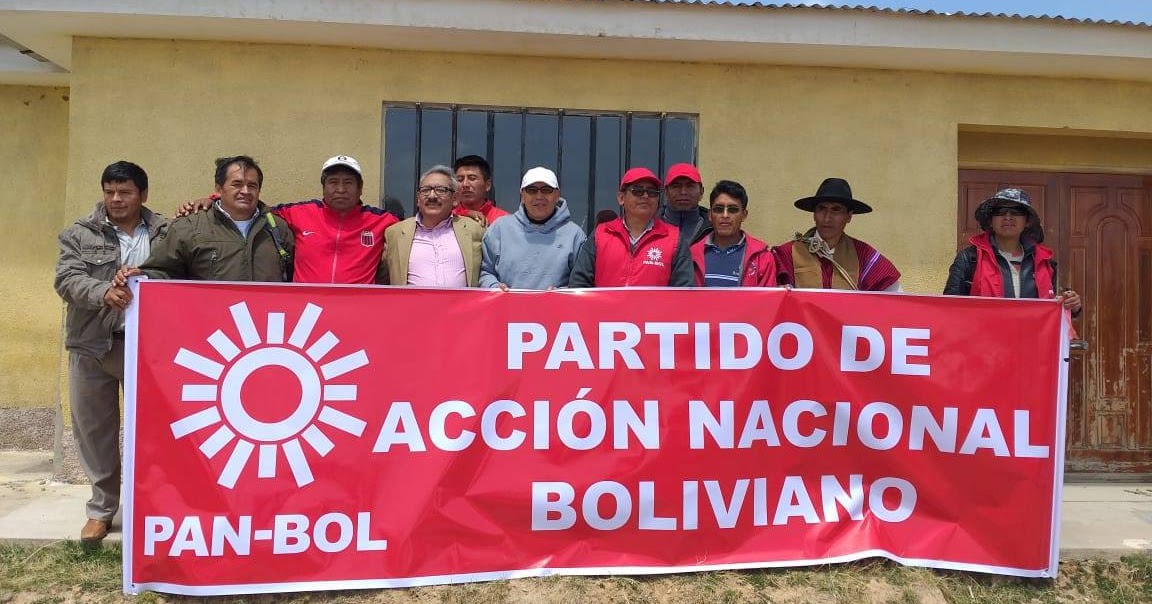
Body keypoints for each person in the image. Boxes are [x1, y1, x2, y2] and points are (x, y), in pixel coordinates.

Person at [54, 161, 168, 544]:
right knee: (95, 432)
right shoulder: (79, 233)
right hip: (92, 347)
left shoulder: (166, 231)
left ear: (143, 195)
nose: (116, 199)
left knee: (153, 433)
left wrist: (147, 278)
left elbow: (181, 271)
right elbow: (67, 279)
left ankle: (150, 507)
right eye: (109, 191)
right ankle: (102, 510)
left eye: (125, 192)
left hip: (148, 350)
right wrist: (103, 291)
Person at [177, 155, 396, 284]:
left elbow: (416, 229)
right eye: (333, 182)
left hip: (357, 311)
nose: (340, 189)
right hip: (305, 312)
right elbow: (254, 208)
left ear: (360, 188)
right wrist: (215, 199)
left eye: (348, 182)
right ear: (323, 187)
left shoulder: (383, 220)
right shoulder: (299, 212)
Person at [135, 155, 294, 282]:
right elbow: (162, 272)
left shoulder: (277, 228)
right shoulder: (190, 226)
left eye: (252, 185)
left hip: (265, 320)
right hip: (209, 320)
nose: (245, 191)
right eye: (237, 184)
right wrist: (139, 277)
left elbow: (296, 276)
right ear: (219, 189)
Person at [944, 188, 1083, 315]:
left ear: (1027, 221)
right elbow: (948, 307)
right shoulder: (969, 258)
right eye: (1000, 211)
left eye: (1016, 211)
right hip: (984, 340)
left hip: (1031, 340)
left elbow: (1054, 310)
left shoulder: (1045, 262)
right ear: (991, 221)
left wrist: (1072, 305)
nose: (1008, 217)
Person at [568, 167, 694, 287]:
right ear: (621, 198)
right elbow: (579, 284)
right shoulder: (601, 234)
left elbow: (683, 293)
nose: (645, 196)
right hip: (606, 310)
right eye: (638, 191)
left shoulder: (674, 239)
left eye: (652, 192)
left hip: (655, 310)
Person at [774, 177, 901, 291]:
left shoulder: (863, 254)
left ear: (849, 216)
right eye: (821, 209)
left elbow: (894, 296)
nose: (827, 218)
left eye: (836, 209)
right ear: (814, 214)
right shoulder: (787, 253)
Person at [479, 167, 587, 290]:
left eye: (546, 190)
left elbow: (581, 284)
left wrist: (562, 293)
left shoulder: (575, 236)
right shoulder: (499, 230)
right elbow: (484, 272)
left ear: (557, 195)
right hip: (507, 308)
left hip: (556, 308)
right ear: (522, 196)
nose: (539, 196)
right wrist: (494, 286)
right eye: (531, 190)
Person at [382, 165, 484, 286]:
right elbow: (382, 280)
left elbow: (488, 272)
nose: (432, 196)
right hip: (411, 304)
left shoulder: (475, 230)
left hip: (462, 304)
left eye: (441, 190)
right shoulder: (395, 233)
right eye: (425, 190)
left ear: (455, 198)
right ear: (418, 199)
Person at [690, 180, 778, 287]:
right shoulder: (691, 255)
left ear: (744, 215)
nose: (725, 215)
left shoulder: (762, 258)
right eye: (718, 209)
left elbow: (768, 301)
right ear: (710, 215)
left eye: (733, 210)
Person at [659, 163, 709, 244]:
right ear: (666, 192)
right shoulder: (649, 226)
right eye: (676, 186)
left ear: (701, 192)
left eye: (690, 186)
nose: (683, 192)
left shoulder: (714, 229)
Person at [453, 155, 508, 226]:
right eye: (460, 179)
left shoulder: (503, 220)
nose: (465, 184)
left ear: (488, 185)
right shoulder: (446, 218)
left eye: (472, 178)